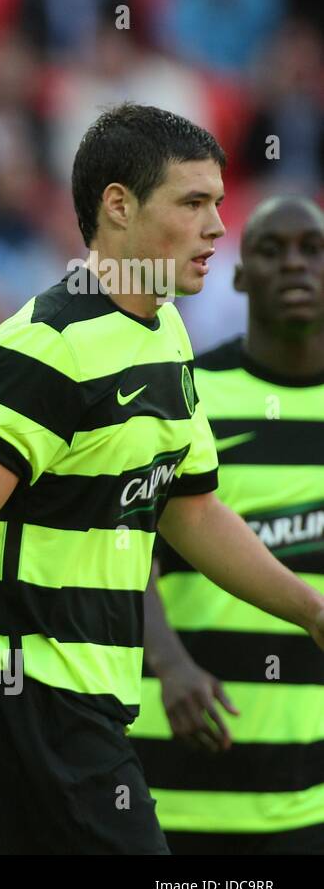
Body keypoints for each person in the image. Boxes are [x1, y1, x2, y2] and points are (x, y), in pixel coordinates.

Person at [0, 103, 324, 854]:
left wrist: (310, 610)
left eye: (219, 204)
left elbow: (190, 513)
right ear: (119, 206)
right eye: (193, 203)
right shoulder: (46, 347)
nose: (218, 228)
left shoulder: (164, 332)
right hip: (25, 692)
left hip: (78, 701)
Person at [132, 195, 324, 853]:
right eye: (272, 251)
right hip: (172, 771)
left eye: (312, 250)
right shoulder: (188, 390)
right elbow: (124, 544)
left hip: (307, 795)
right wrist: (170, 662)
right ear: (240, 277)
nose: (295, 265)